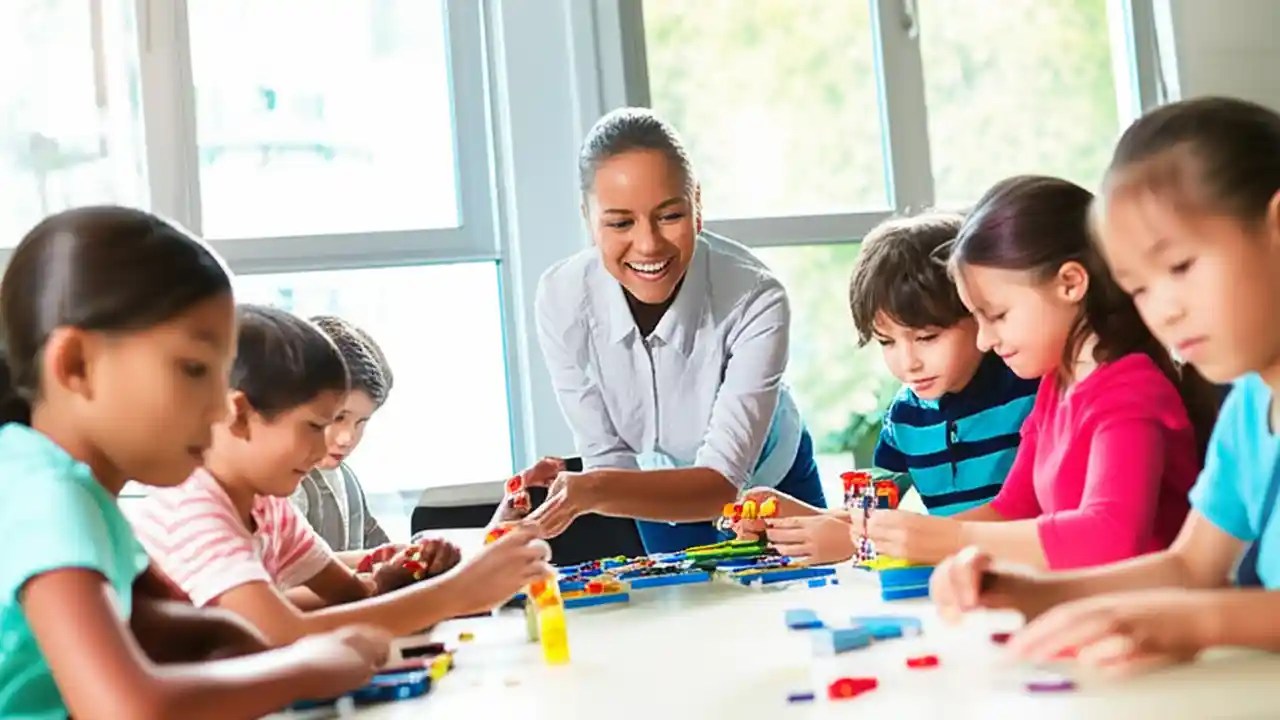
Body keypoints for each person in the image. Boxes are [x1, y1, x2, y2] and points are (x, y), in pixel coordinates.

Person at [931, 96, 1280, 676]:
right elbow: (1191, 567)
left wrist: (1192, 623)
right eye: (1138, 288)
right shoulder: (1250, 405)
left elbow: (1192, 596)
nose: (1162, 310)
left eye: (1180, 267)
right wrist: (1027, 593)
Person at [0, 207, 388, 719]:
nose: (218, 406)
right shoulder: (46, 496)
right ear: (77, 365)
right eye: (194, 369)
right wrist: (307, 665)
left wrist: (264, 646)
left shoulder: (74, 491)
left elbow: (168, 626)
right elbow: (130, 707)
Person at [126, 305, 553, 645]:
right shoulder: (194, 509)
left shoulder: (268, 506)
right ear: (239, 415)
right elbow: (276, 634)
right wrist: (454, 593)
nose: (326, 446)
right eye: (316, 426)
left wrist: (399, 576)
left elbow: (353, 594)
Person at [850, 174, 1211, 569]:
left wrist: (949, 539)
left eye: (998, 316)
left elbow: (1111, 535)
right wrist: (913, 541)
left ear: (1071, 283)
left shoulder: (1130, 389)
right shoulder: (1056, 387)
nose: (985, 341)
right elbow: (1014, 509)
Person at [528, 107, 825, 553]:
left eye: (669, 215)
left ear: (697, 205)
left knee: (801, 605)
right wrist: (587, 489)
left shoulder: (757, 298)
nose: (648, 244)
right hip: (647, 486)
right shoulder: (561, 299)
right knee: (681, 611)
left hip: (771, 478)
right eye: (620, 222)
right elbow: (608, 462)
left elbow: (723, 484)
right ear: (588, 218)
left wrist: (592, 489)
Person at [738, 211, 1037, 563]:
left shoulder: (1030, 393)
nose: (907, 362)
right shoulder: (905, 415)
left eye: (926, 337)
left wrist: (859, 541)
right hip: (953, 580)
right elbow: (866, 517)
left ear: (978, 312)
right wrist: (792, 516)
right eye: (886, 341)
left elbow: (1027, 519)